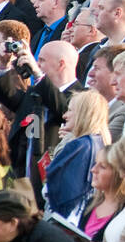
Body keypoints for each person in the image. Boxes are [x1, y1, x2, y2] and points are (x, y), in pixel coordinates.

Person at [44, 89, 110, 219]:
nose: (65, 116)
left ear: (83, 113)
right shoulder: (99, 142)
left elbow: (62, 193)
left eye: (70, 110)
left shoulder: (80, 146)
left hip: (65, 221)